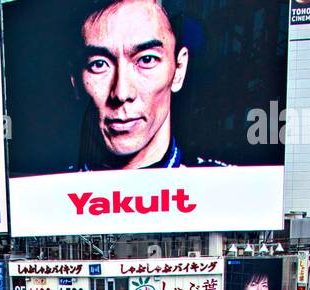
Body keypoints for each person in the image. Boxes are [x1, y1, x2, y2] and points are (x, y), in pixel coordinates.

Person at [67, 0, 224, 172]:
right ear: (75, 80)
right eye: (99, 64)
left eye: (146, 60)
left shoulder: (226, 192)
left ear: (179, 69)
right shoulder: (44, 192)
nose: (121, 93)